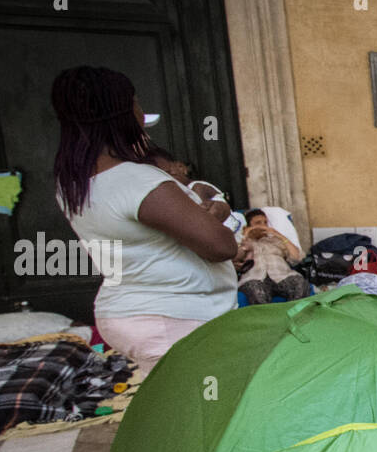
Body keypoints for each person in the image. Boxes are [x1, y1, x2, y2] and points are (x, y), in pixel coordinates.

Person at [52, 66, 238, 373]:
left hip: (131, 311)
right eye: (136, 103)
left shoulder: (73, 182)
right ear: (122, 112)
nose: (141, 112)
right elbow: (221, 246)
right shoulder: (136, 180)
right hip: (172, 317)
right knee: (198, 412)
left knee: (179, 404)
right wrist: (218, 211)